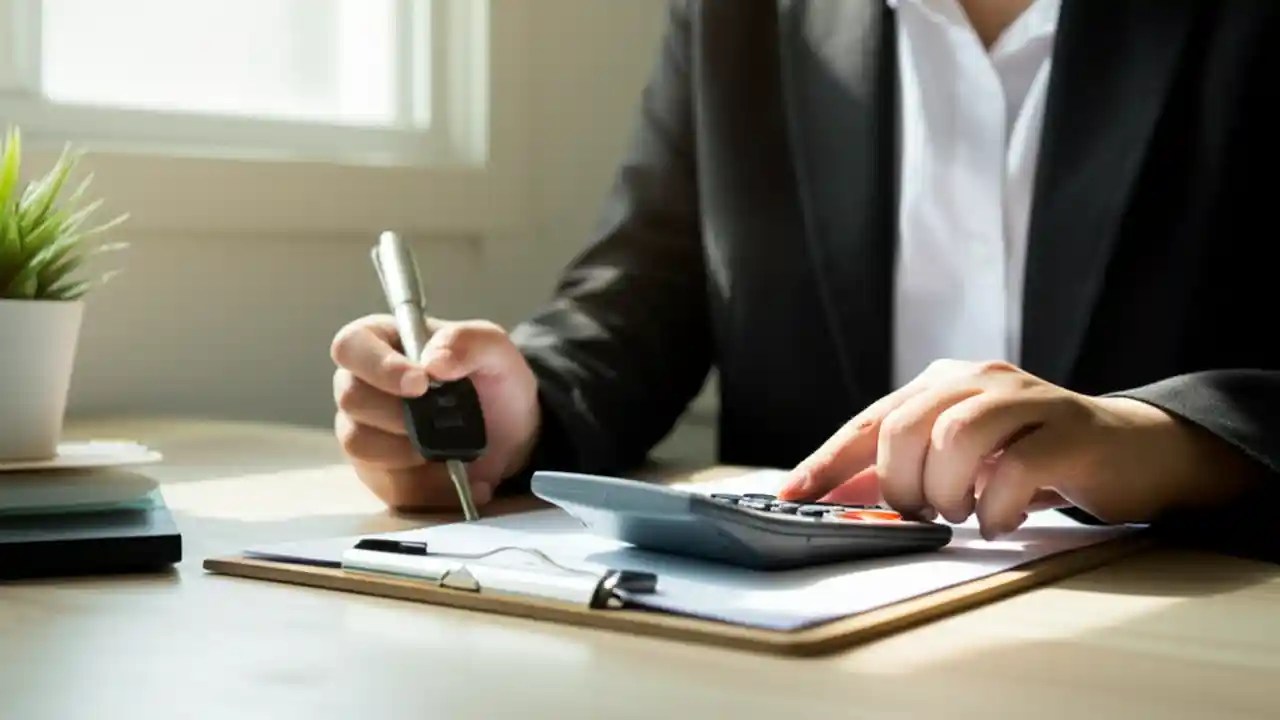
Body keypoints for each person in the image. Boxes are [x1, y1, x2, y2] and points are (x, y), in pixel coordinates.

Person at [329, 0, 1278, 550]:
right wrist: (518, 408)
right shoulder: (739, 15)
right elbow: (644, 285)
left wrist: (1171, 438)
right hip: (797, 638)